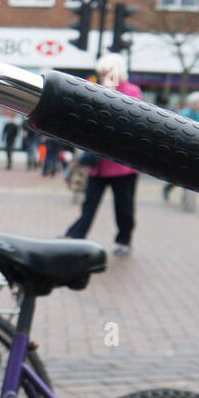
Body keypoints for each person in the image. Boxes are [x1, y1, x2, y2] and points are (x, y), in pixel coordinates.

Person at [64, 53, 141, 255]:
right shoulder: (96, 91)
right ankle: (75, 235)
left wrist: (111, 97)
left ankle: (124, 240)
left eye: (109, 73)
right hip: (98, 163)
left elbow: (130, 122)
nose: (105, 77)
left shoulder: (132, 92)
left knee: (124, 207)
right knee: (89, 203)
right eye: (103, 73)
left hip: (122, 165)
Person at [163, 90, 199, 199]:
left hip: (197, 147)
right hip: (185, 147)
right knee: (180, 172)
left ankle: (186, 196)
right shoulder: (185, 113)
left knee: (190, 173)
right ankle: (168, 188)